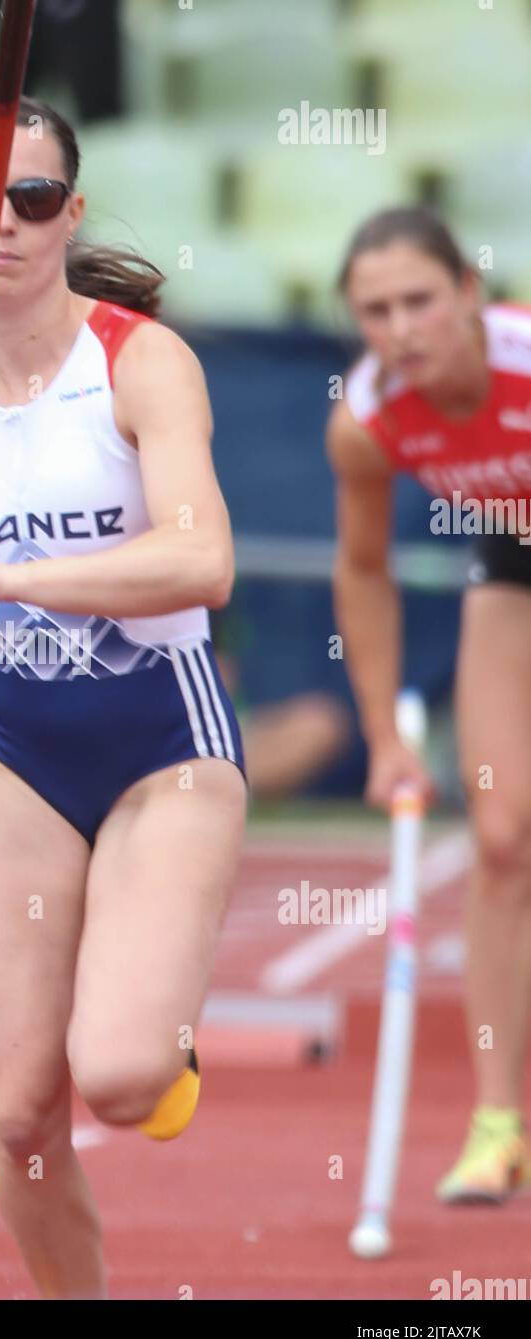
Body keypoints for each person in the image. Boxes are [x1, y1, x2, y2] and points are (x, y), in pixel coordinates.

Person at [0, 96, 247, 1298]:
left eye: (32, 199)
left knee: (118, 1078)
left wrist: (11, 579)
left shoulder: (139, 362)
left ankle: (157, 1039)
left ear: (69, 214)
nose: (4, 223)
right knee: (21, 1114)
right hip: (13, 753)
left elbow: (201, 560)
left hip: (161, 748)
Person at [328, 206, 531, 1202]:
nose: (400, 328)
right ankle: (498, 1126)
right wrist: (382, 737)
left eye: (419, 300)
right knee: (501, 839)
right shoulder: (367, 418)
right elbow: (363, 570)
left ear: (469, 294)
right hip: (514, 564)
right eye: (376, 311)